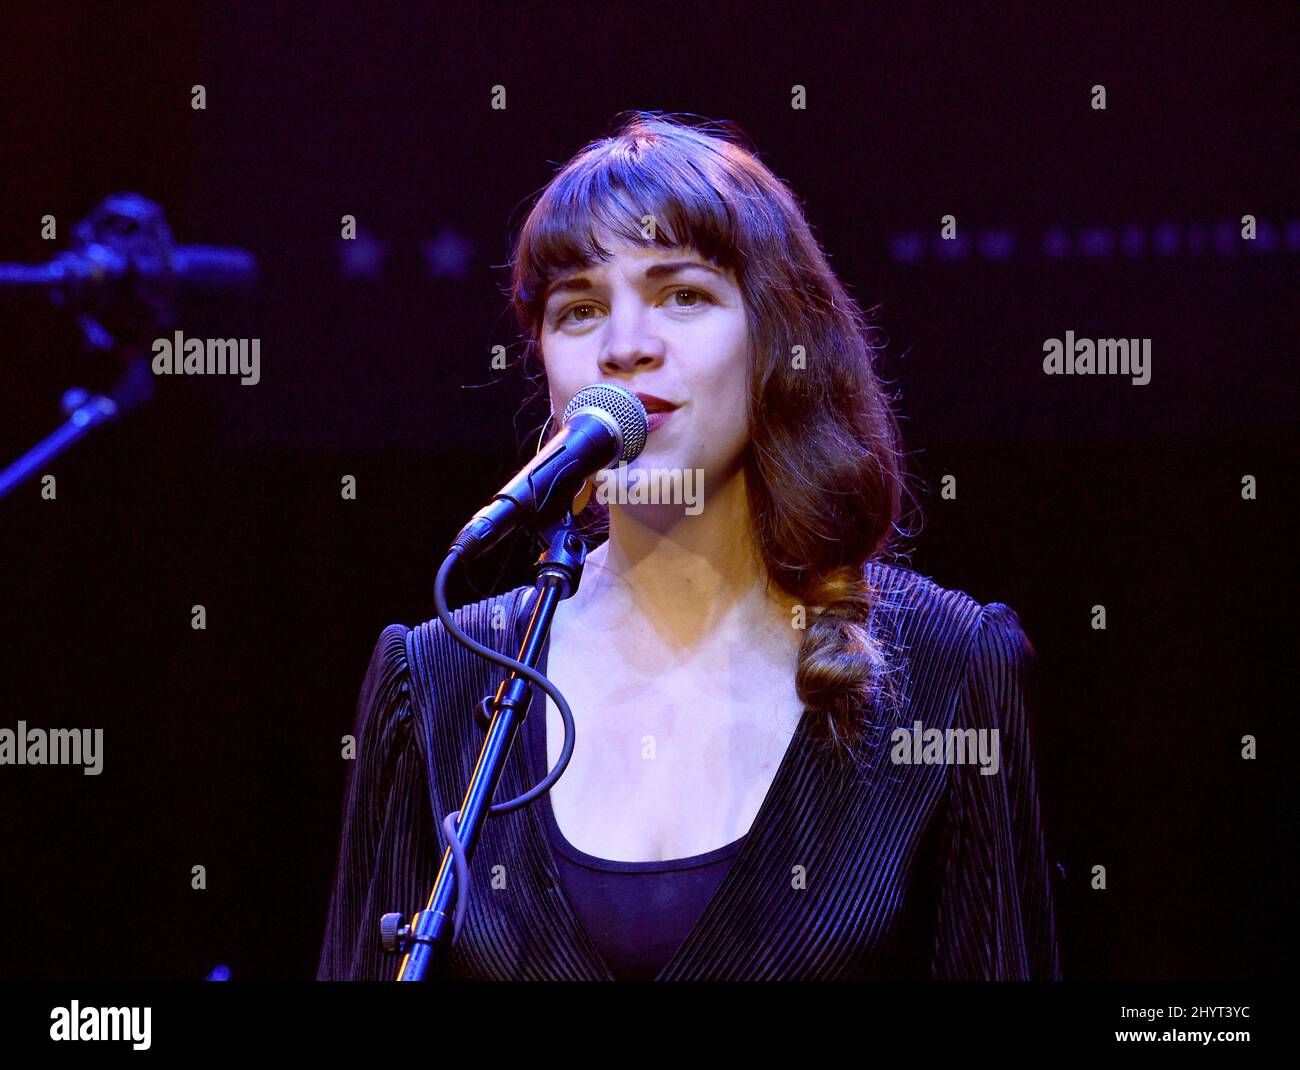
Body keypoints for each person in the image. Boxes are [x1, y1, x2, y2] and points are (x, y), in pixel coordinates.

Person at [317, 111, 1061, 981]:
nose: (626, 345)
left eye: (683, 295)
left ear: (780, 343)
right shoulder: (443, 681)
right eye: (580, 309)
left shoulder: (945, 669)